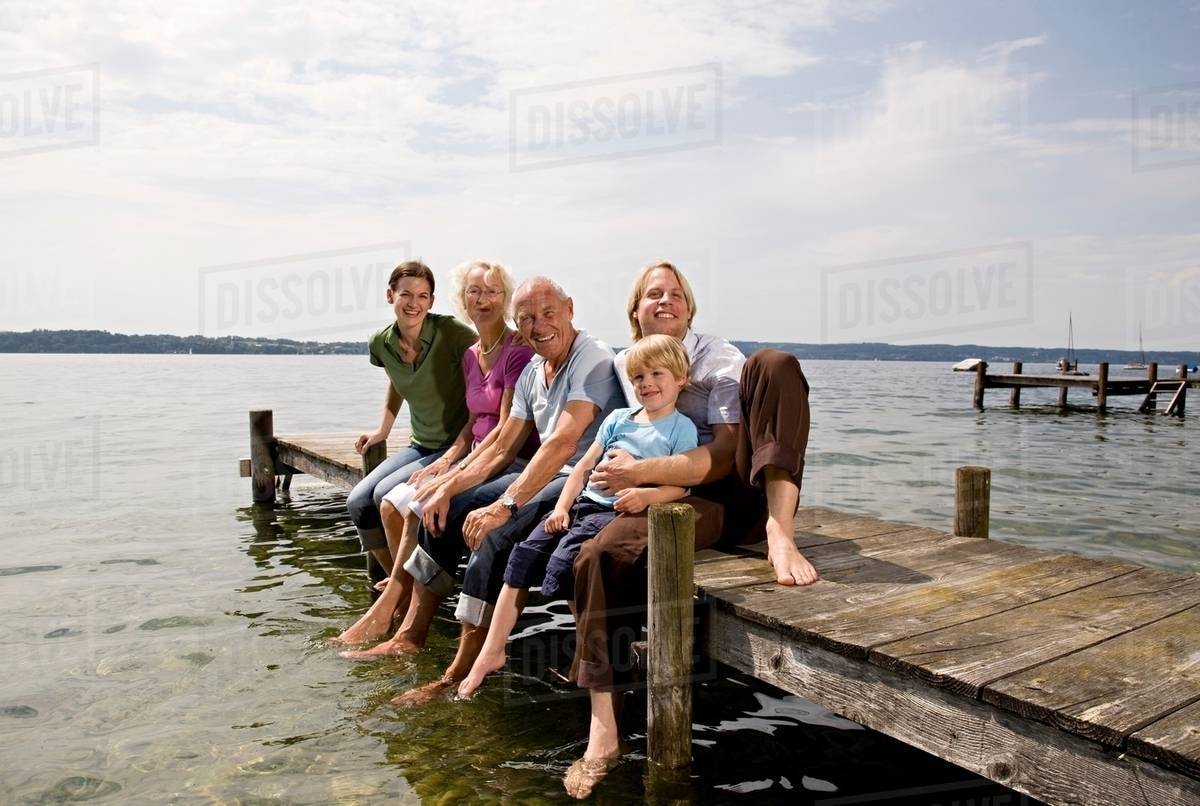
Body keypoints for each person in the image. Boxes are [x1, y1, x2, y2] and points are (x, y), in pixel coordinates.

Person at [562, 260, 815, 799]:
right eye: (654, 294)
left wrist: (641, 473)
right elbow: (606, 436)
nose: (666, 300)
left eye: (676, 293)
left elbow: (724, 454)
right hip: (677, 500)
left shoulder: (717, 359)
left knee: (774, 363)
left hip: (734, 491)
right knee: (597, 555)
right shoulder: (632, 365)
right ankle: (604, 728)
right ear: (635, 312)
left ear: (690, 307)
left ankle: (781, 530)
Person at [364, 277, 624, 704]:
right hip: (545, 473)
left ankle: (459, 671)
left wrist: (504, 506)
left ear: (570, 309)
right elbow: (502, 447)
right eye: (527, 319)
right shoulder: (533, 370)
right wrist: (447, 487)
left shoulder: (591, 357)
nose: (539, 326)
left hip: (583, 481)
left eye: (548, 313)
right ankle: (410, 635)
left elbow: (563, 442)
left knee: (493, 537)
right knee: (443, 510)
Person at [457, 334, 698, 698]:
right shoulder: (618, 418)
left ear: (681, 378)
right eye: (638, 377)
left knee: (570, 565)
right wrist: (561, 507)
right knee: (523, 554)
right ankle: (491, 652)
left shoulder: (681, 428)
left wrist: (646, 495)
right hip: (581, 504)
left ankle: (585, 656)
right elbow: (583, 466)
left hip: (612, 513)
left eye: (656, 374)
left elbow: (681, 488)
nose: (646, 383)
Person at [333, 260, 534, 645]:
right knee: (380, 502)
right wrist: (402, 440)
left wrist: (451, 470)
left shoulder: (505, 349)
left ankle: (399, 606)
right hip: (457, 448)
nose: (483, 299)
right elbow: (468, 421)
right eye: (474, 292)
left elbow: (504, 434)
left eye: (492, 292)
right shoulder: (470, 353)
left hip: (498, 458)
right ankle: (403, 594)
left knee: (407, 503)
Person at [342, 260, 477, 588]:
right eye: (405, 294)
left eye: (422, 296)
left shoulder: (453, 333)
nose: (413, 303)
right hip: (421, 443)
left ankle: (416, 585)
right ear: (390, 296)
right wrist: (383, 431)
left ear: (431, 301)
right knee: (357, 501)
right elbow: (396, 379)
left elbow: (491, 358)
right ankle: (398, 580)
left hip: (458, 446)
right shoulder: (380, 342)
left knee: (384, 495)